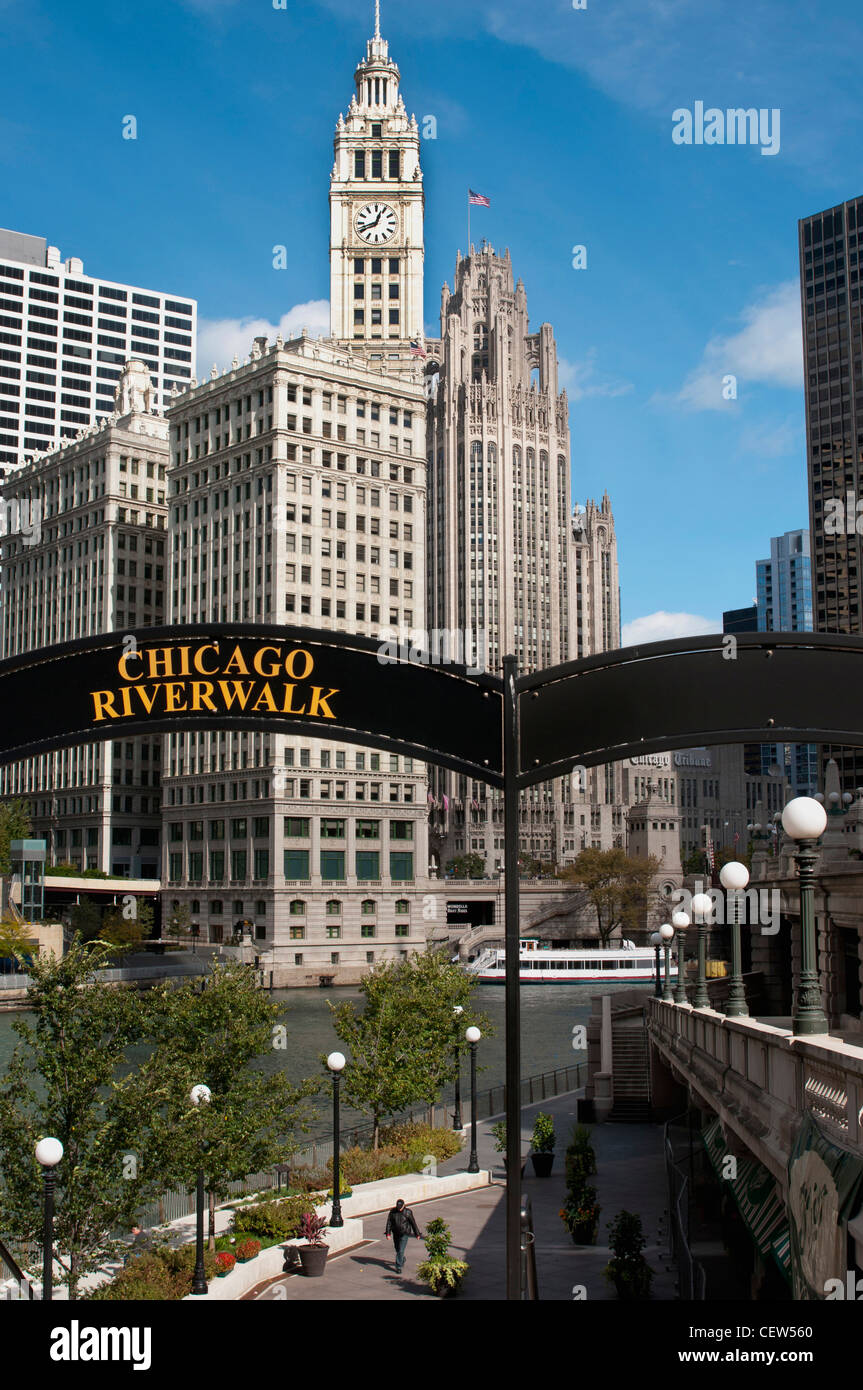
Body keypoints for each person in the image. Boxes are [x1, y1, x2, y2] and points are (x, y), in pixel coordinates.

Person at [384, 1198, 421, 1272]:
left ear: (404, 1205)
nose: (399, 1209)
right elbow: (389, 1223)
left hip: (404, 1233)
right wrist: (388, 1233)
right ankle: (402, 1258)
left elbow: (413, 1223)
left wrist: (417, 1234)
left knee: (401, 1250)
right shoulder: (392, 1212)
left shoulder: (408, 1212)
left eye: (401, 1207)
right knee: (397, 1249)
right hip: (396, 1233)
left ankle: (399, 1266)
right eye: (398, 1207)